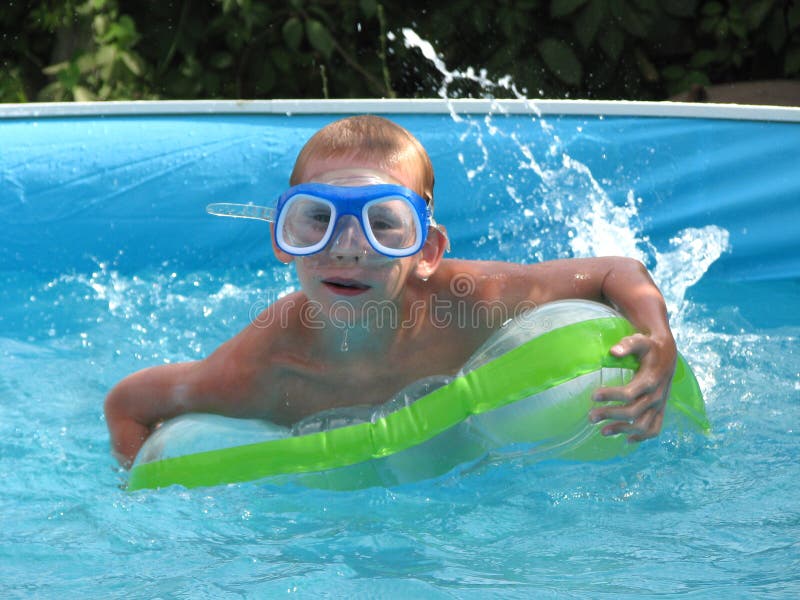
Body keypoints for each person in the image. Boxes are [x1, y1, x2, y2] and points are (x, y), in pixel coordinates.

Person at [105, 115, 677, 468]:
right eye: (316, 220)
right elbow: (128, 404)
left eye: (383, 223)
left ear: (427, 251)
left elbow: (615, 272)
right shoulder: (268, 362)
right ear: (282, 240)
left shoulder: (470, 303)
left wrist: (658, 337)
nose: (349, 248)